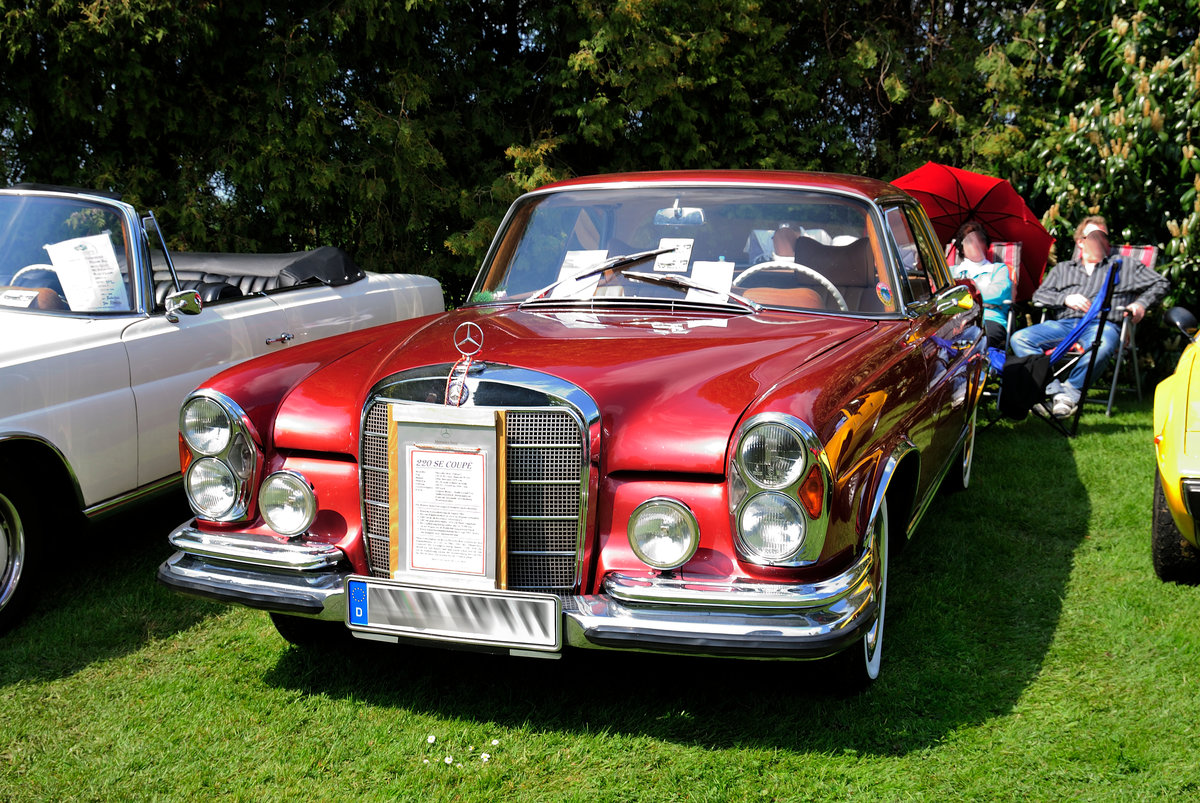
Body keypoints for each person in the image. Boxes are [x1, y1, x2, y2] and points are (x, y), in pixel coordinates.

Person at [1010, 216, 1168, 417]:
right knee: (1019, 339)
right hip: (1065, 325)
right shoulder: (1063, 269)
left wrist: (1140, 303)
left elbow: (1161, 283)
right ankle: (1053, 389)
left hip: (1103, 324)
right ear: (1080, 242)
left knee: (1101, 345)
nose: (1100, 241)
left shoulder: (1124, 266)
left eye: (1104, 236)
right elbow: (1040, 295)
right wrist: (1065, 298)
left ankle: (1069, 393)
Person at [950, 221, 1012, 350]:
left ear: (986, 244)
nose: (975, 244)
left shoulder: (998, 269)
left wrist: (967, 295)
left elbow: (998, 293)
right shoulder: (951, 272)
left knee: (974, 339)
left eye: (980, 240)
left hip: (988, 318)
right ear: (961, 247)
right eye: (969, 241)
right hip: (954, 320)